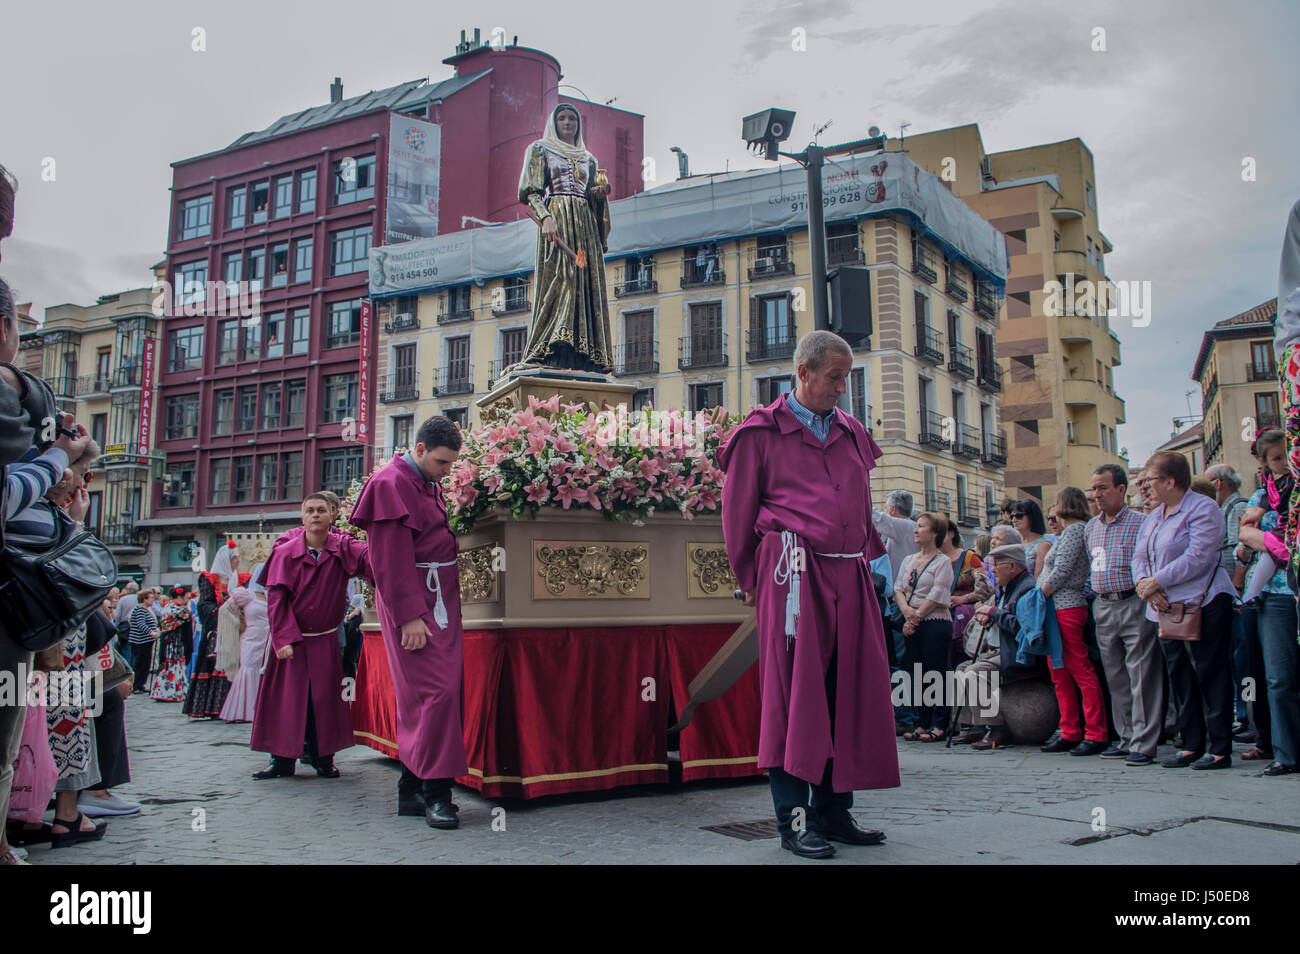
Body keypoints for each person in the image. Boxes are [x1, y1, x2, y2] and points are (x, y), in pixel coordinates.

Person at [718, 330, 897, 859]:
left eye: (847, 377)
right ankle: (795, 821)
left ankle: (835, 814)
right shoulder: (759, 432)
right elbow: (737, 514)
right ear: (804, 372)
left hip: (850, 574)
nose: (842, 388)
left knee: (851, 691)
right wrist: (750, 579)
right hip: (791, 575)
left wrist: (869, 564)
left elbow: (862, 510)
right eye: (834, 377)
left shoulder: (853, 432)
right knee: (794, 697)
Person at [348, 417, 468, 828]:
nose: (446, 471)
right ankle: (437, 795)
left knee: (431, 696)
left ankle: (413, 791)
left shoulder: (420, 480)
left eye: (451, 464)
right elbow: (388, 558)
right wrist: (409, 616)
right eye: (442, 462)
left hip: (435, 598)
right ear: (418, 449)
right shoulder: (390, 483)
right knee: (437, 694)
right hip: (418, 603)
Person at [250, 493, 371, 780]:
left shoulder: (342, 547)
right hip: (292, 639)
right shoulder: (285, 551)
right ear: (302, 517)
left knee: (325, 702)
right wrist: (283, 639)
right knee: (286, 701)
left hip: (325, 639)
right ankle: (280, 761)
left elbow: (370, 558)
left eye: (321, 510)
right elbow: (276, 599)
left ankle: (323, 758)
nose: (315, 515)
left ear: (332, 516)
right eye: (310, 510)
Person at [1133, 451, 1238, 770]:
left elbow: (1199, 557)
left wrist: (1157, 581)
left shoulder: (1203, 509)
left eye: (1149, 479)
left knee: (1210, 673)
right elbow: (1139, 556)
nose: (1145, 486)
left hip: (1202, 602)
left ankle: (1219, 747)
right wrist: (1146, 587)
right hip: (1163, 606)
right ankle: (1191, 742)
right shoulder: (1154, 515)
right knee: (1179, 675)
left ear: (1170, 481)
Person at [516, 103, 613, 373]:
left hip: (584, 226)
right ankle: (554, 342)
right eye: (562, 118)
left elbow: (592, 195)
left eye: (572, 118)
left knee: (584, 281)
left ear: (579, 124)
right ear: (554, 122)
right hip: (558, 216)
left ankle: (584, 350)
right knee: (562, 280)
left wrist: (600, 193)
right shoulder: (540, 149)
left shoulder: (589, 159)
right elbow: (531, 191)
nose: (568, 122)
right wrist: (546, 217)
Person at [1087, 464, 1163, 765]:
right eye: (1094, 488)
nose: (1097, 494)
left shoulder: (1142, 522)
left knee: (1141, 674)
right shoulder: (1090, 528)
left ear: (1121, 489)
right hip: (1103, 605)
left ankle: (1145, 742)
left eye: (1103, 488)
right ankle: (1127, 736)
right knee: (1115, 675)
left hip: (1134, 601)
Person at [1235, 428, 1299, 776]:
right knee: (1277, 678)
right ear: (1264, 462)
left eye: (1291, 455)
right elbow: (1244, 537)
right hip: (1276, 594)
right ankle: (1286, 753)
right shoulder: (1261, 496)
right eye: (1278, 458)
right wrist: (1266, 541)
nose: (1287, 464)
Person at [1037, 487, 1108, 755]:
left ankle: (1095, 731)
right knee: (1060, 672)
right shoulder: (1069, 533)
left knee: (1079, 669)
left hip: (1065, 605)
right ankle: (1070, 729)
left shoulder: (1076, 530)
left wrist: (1040, 594)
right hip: (1056, 606)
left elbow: (1063, 569)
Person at [951, 544, 1038, 749]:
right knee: (960, 670)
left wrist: (993, 613)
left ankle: (996, 728)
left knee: (974, 672)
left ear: (1013, 566)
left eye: (998, 564)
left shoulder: (1027, 588)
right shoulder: (1007, 587)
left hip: (1017, 653)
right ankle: (973, 726)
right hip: (1000, 649)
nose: (993, 570)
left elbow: (1022, 627)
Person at [895, 512, 955, 742]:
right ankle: (922, 721)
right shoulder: (908, 560)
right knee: (917, 673)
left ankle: (939, 723)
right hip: (913, 621)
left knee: (936, 673)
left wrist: (915, 616)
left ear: (935, 533)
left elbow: (938, 593)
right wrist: (907, 613)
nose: (916, 530)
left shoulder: (942, 562)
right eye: (916, 526)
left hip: (934, 622)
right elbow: (899, 589)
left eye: (921, 526)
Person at [220, 562, 270, 724]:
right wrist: (240, 622)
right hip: (251, 638)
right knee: (249, 669)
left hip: (267, 639)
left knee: (263, 671)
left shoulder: (271, 595)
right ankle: (243, 710)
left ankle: (260, 708)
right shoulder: (246, 594)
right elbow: (225, 610)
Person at [183, 573, 231, 718]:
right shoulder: (209, 580)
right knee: (215, 666)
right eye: (233, 557)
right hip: (216, 633)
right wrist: (222, 610)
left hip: (232, 632)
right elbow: (204, 607)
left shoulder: (239, 578)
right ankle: (212, 707)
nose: (237, 560)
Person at [148, 585, 192, 702]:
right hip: (176, 642)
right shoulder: (181, 611)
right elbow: (187, 619)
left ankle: (165, 691)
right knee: (174, 665)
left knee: (169, 666)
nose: (187, 601)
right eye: (186, 598)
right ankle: (172, 692)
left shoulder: (167, 607)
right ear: (179, 596)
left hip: (168, 641)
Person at [872, 489, 919, 582]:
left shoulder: (903, 526)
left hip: (900, 586)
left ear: (892, 509)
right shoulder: (910, 526)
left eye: (886, 508)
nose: (884, 511)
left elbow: (875, 518)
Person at [127, 589, 162, 692]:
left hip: (146, 641)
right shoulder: (140, 609)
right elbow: (141, 624)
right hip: (140, 641)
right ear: (144, 599)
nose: (153, 600)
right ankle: (136, 685)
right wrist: (151, 632)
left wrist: (155, 629)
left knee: (145, 663)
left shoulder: (146, 609)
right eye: (151, 598)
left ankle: (141, 684)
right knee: (140, 664)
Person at [1011, 499, 1052, 578]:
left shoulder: (1043, 546)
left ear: (1032, 517)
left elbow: (1039, 579)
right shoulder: (1013, 543)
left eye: (1019, 516)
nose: (1014, 520)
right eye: (1012, 516)